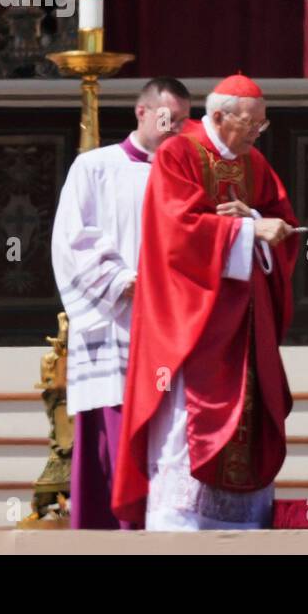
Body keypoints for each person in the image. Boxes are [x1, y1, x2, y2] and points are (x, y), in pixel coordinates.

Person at [112, 73, 299, 530]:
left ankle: (238, 519)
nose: (258, 131)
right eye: (251, 122)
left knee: (247, 414)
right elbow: (176, 234)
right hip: (191, 319)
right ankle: (180, 518)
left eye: (262, 124)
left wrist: (255, 219)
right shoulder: (178, 152)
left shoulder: (253, 162)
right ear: (218, 116)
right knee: (186, 423)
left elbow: (282, 224)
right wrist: (247, 230)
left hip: (247, 324)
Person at [51, 76, 192, 529]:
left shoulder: (188, 175)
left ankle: (163, 521)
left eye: (184, 122)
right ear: (142, 112)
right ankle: (112, 527)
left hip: (171, 324)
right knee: (114, 428)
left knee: (166, 430)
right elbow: (71, 238)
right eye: (169, 118)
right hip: (117, 319)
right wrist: (117, 281)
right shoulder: (94, 167)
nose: (176, 129)